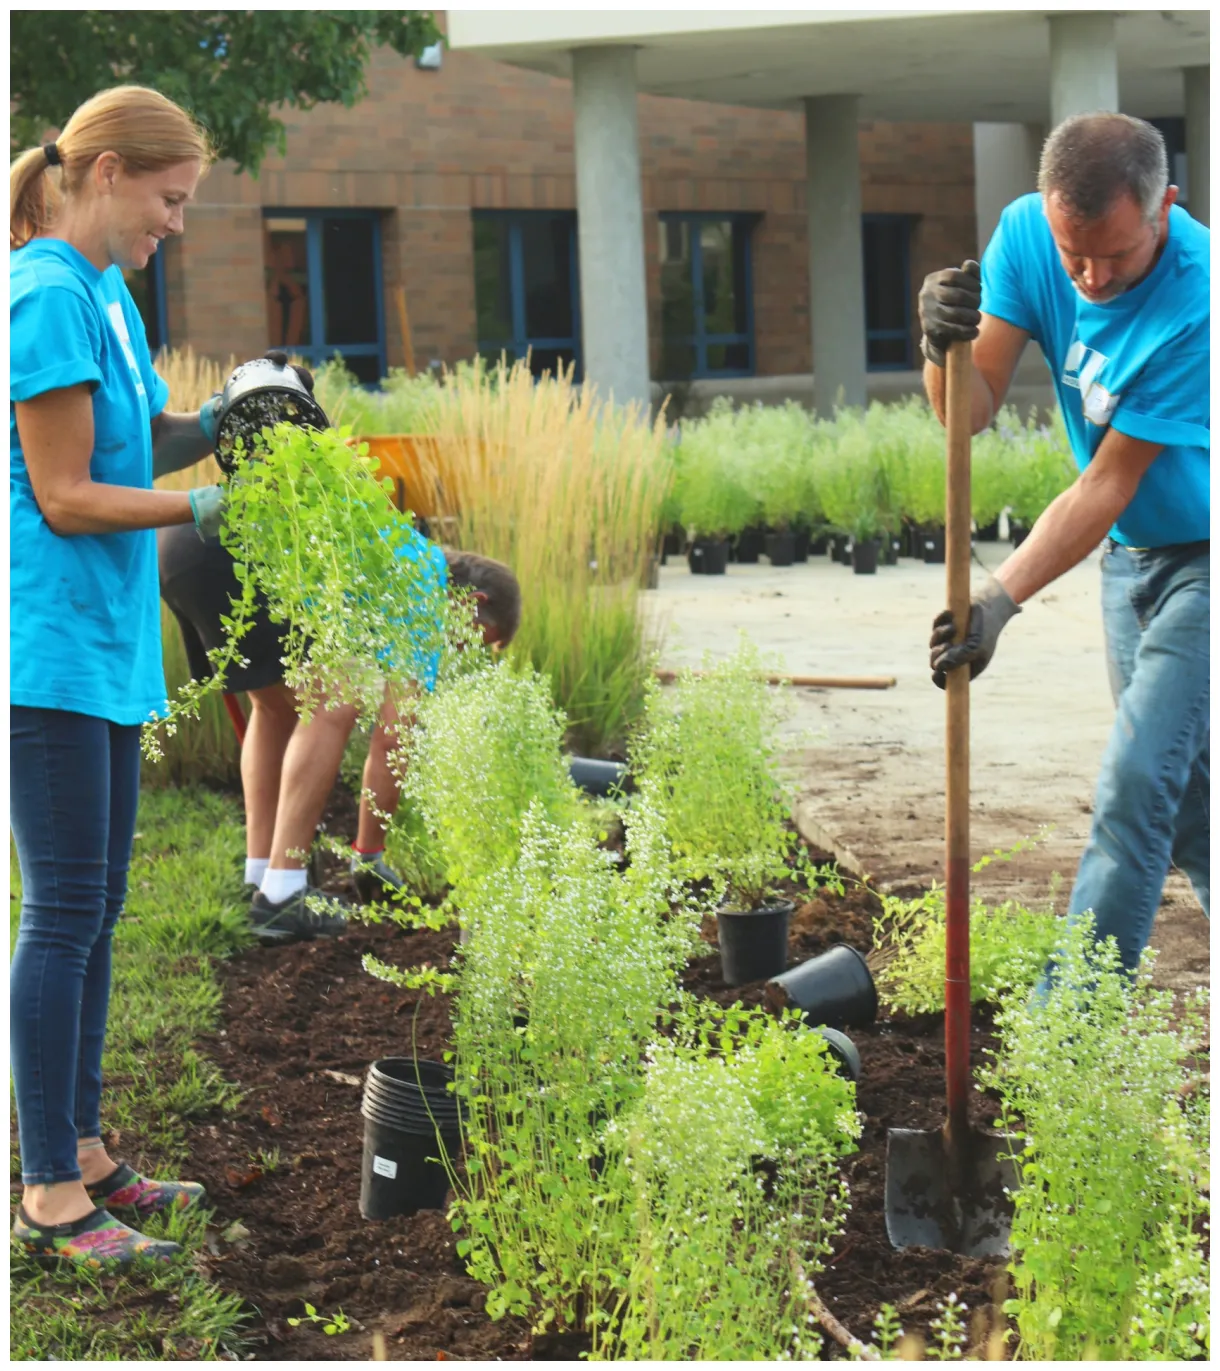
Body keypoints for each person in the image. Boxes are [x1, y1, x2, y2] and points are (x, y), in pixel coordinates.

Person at [9, 85, 238, 1269]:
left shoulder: (105, 287)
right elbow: (64, 495)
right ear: (103, 172)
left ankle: (85, 1148)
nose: (176, 224)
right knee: (59, 914)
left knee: (94, 909)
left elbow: (132, 438)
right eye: (168, 198)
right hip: (43, 647)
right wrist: (209, 503)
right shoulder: (43, 291)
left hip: (103, 646)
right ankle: (48, 1191)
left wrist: (235, 419)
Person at [918, 112, 1209, 984]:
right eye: (1072, 252)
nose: (1090, 276)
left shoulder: (1200, 297)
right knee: (1187, 801)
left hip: (1206, 557)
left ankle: (1068, 1034)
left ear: (1165, 206)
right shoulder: (1024, 234)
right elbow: (965, 413)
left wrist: (999, 598)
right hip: (1132, 562)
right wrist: (940, 345)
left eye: (1115, 255)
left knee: (1133, 786)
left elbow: (1109, 481)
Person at [158, 515, 521, 945]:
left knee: (274, 707)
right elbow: (393, 738)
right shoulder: (424, 583)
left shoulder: (399, 550)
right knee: (341, 692)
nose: (458, 649)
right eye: (473, 637)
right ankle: (282, 894)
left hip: (185, 541)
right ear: (469, 600)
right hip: (233, 550)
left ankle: (261, 877)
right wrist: (368, 854)